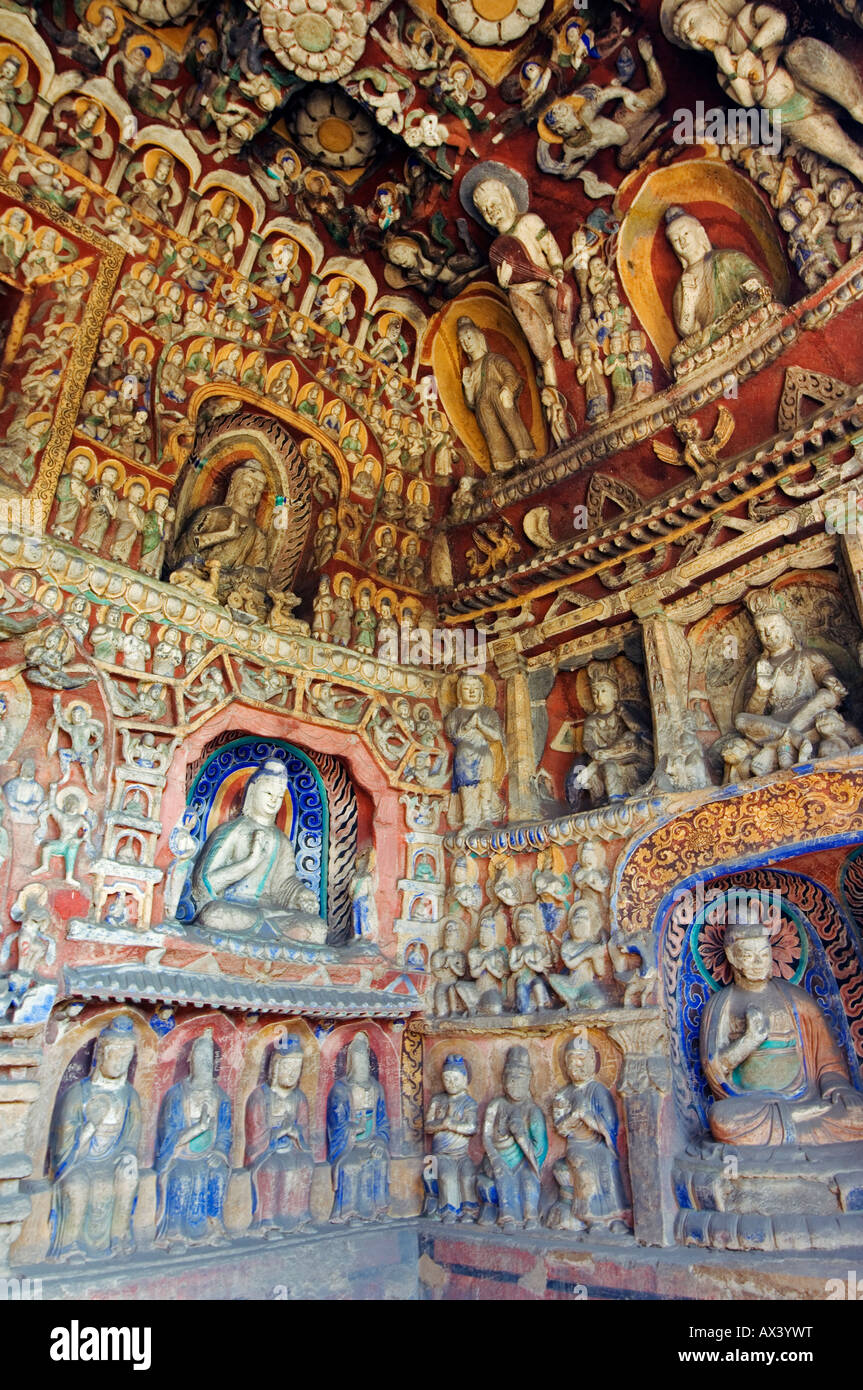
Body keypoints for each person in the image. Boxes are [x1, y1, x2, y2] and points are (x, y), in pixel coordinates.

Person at [701, 898, 863, 1145]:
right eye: (749, 955)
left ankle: (791, 1126)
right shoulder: (721, 1004)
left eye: (764, 954)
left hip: (807, 1097)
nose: (759, 962)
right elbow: (715, 1070)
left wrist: (838, 1090)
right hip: (753, 1106)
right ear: (732, 957)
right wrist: (748, 1042)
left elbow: (828, 1066)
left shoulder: (797, 1000)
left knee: (857, 1114)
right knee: (722, 1120)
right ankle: (800, 1124)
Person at [188, 759, 328, 946]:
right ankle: (270, 941)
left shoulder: (281, 840)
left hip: (271, 912)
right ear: (253, 792)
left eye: (279, 797)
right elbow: (203, 884)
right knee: (215, 915)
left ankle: (261, 939)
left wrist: (302, 895)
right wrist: (248, 863)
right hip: (234, 907)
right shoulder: (233, 830)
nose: (273, 801)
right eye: (268, 793)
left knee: (317, 928)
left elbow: (284, 885)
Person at [48, 1016, 140, 1260]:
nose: (121, 1063)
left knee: (126, 1179)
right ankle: (69, 1246)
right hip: (80, 1161)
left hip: (112, 1159)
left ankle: (119, 1238)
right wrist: (90, 1127)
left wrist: (129, 1155)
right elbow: (63, 1148)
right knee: (78, 1187)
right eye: (116, 1055)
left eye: (126, 1057)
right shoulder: (79, 1094)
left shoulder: (130, 1096)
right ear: (101, 1055)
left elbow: (131, 1137)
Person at [155, 1029, 232, 1247]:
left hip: (209, 1154)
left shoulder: (220, 1097)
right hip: (181, 1156)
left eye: (209, 1058)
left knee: (216, 1174)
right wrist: (197, 1129)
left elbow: (225, 1131)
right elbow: (169, 1134)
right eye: (200, 1058)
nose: (204, 1063)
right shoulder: (178, 1094)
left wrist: (219, 1152)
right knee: (183, 1178)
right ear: (191, 1060)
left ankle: (214, 1226)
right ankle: (176, 1233)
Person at [546, 1033, 629, 1232]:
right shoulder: (563, 1095)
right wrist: (575, 1115)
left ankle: (615, 1217)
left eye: (582, 1060)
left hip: (598, 1143)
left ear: (593, 1061)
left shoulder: (599, 1091)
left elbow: (609, 1123)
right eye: (572, 1061)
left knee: (607, 1163)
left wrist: (587, 1116)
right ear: (565, 1066)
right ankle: (592, 1218)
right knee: (583, 1167)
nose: (578, 1066)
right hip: (577, 1146)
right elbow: (561, 1128)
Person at [665, 205, 770, 344]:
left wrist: (753, 282)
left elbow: (751, 273)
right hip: (712, 338)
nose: (683, 242)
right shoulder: (683, 284)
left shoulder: (726, 257)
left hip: (742, 317)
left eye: (685, 234)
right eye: (676, 240)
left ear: (699, 233)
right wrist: (689, 299)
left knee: (760, 305)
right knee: (681, 352)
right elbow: (687, 331)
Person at [245, 1035, 314, 1235]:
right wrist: (277, 1133)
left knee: (304, 1164)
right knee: (272, 1168)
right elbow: (255, 1132)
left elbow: (304, 1129)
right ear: (275, 1067)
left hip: (291, 1148)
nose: (292, 1073)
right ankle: (267, 1221)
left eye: (297, 1067)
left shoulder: (299, 1097)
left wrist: (294, 1132)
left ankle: (299, 1218)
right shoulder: (259, 1097)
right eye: (288, 1066)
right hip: (266, 1153)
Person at [457, 316, 535, 471]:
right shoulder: (470, 370)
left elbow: (511, 375)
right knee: (493, 433)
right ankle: (504, 465)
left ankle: (523, 454)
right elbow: (471, 403)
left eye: (469, 337)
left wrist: (507, 389)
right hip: (483, 409)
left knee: (509, 423)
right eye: (462, 341)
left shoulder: (493, 359)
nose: (466, 342)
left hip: (500, 400)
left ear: (479, 337)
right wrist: (467, 387)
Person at [326, 1031, 390, 1223]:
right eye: (357, 1062)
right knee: (352, 1166)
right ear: (350, 1063)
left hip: (370, 1142)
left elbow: (382, 1121)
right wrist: (354, 1128)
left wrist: (380, 1141)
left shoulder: (377, 1088)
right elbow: (337, 1123)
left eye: (364, 1062)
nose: (362, 1066)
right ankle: (350, 1212)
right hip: (350, 1145)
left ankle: (379, 1210)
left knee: (379, 1162)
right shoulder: (341, 1089)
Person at [423, 1054, 479, 1222]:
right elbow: (427, 1126)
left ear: (464, 1079)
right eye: (447, 1079)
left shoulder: (469, 1103)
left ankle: (469, 1210)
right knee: (447, 1176)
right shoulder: (437, 1100)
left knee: (468, 1175)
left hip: (461, 1155)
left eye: (455, 1078)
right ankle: (448, 1211)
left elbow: (471, 1127)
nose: (451, 1083)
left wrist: (451, 1124)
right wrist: (442, 1123)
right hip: (440, 1155)